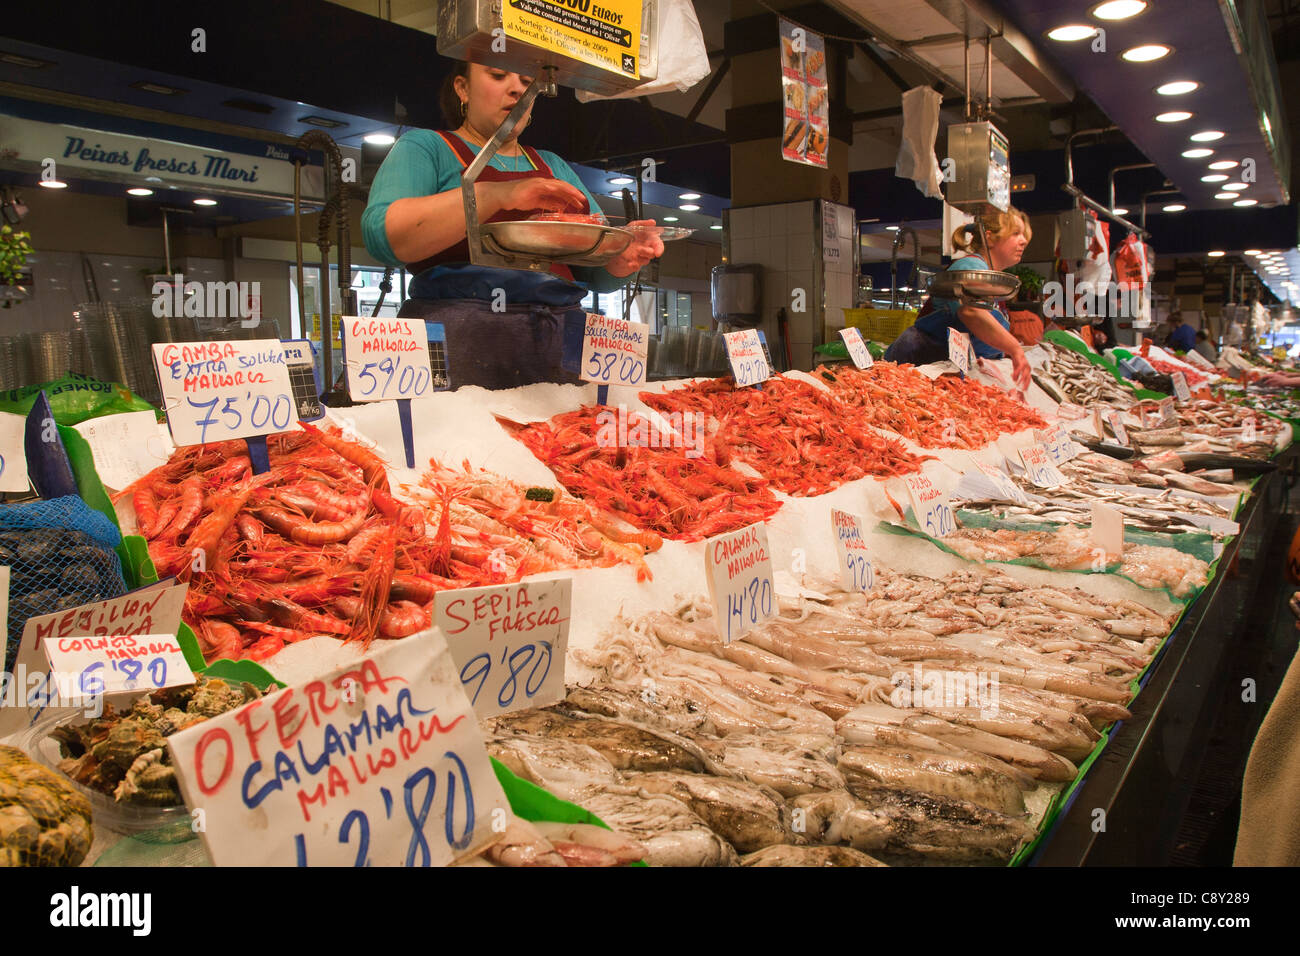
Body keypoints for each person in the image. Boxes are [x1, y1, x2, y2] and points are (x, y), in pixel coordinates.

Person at [362, 61, 664, 389]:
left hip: (559, 345)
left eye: (525, 80)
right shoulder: (427, 148)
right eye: (497, 75)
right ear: (462, 88)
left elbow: (596, 275)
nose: (517, 89)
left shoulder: (552, 166)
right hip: (457, 341)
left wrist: (622, 256)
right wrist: (497, 195)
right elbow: (385, 238)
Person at [884, 207, 1032, 392]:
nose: (1024, 241)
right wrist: (1015, 350)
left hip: (950, 376)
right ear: (989, 237)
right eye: (1016, 233)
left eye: (1024, 235)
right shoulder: (972, 268)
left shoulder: (991, 278)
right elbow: (971, 312)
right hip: (920, 366)